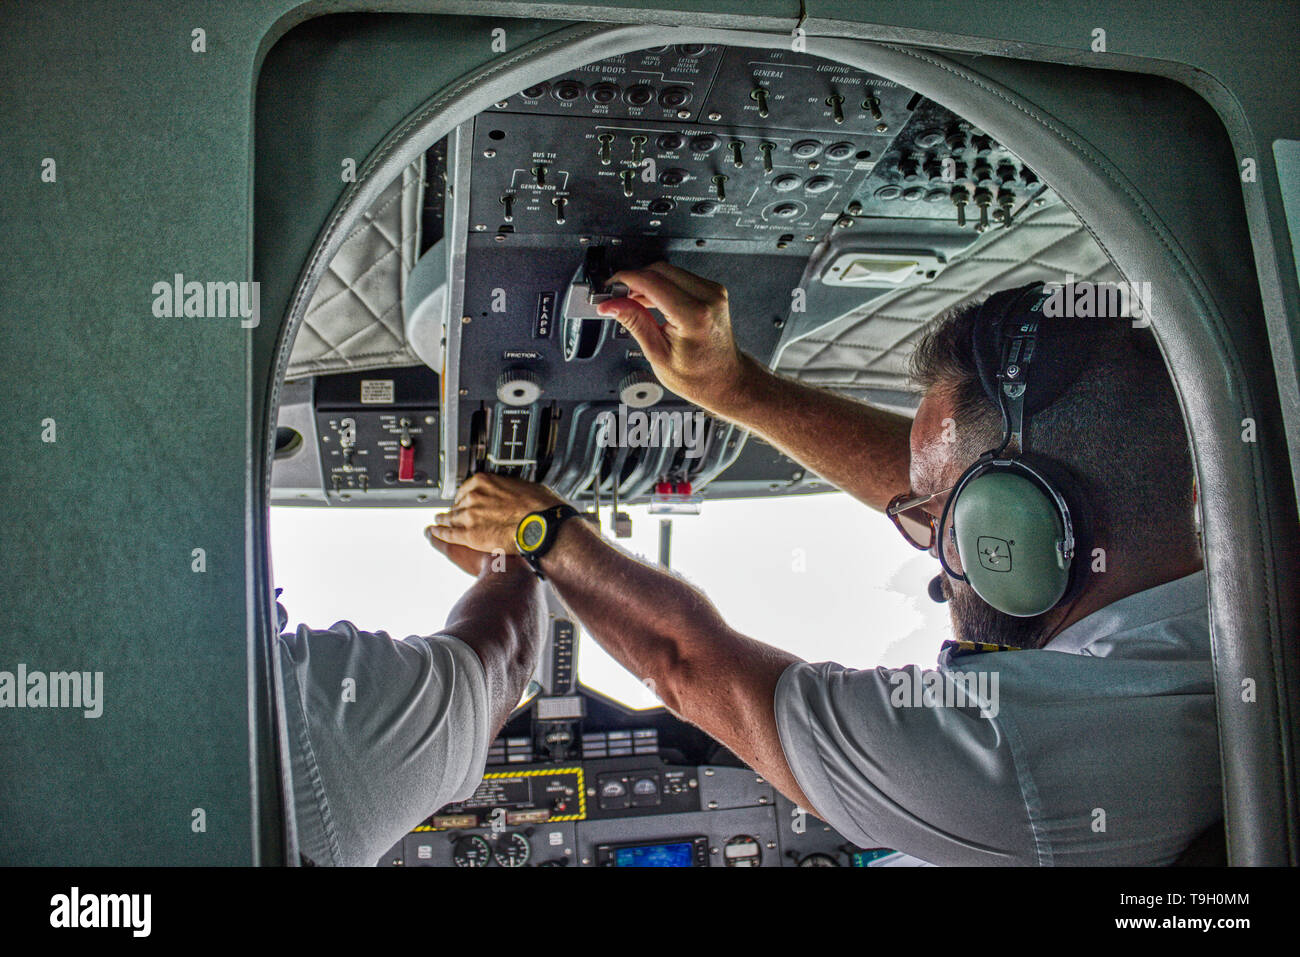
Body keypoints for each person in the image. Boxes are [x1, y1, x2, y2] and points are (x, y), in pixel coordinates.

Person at [429, 262, 1220, 865]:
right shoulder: (1228, 600)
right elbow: (977, 488)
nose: (939, 568)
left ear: (1010, 526)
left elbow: (685, 663)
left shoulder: (1020, 750)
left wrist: (543, 533)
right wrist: (739, 390)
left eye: (938, 523)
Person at [276, 543, 546, 866]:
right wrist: (499, 558)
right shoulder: (306, 708)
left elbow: (507, 650)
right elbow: (508, 648)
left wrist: (503, 562)